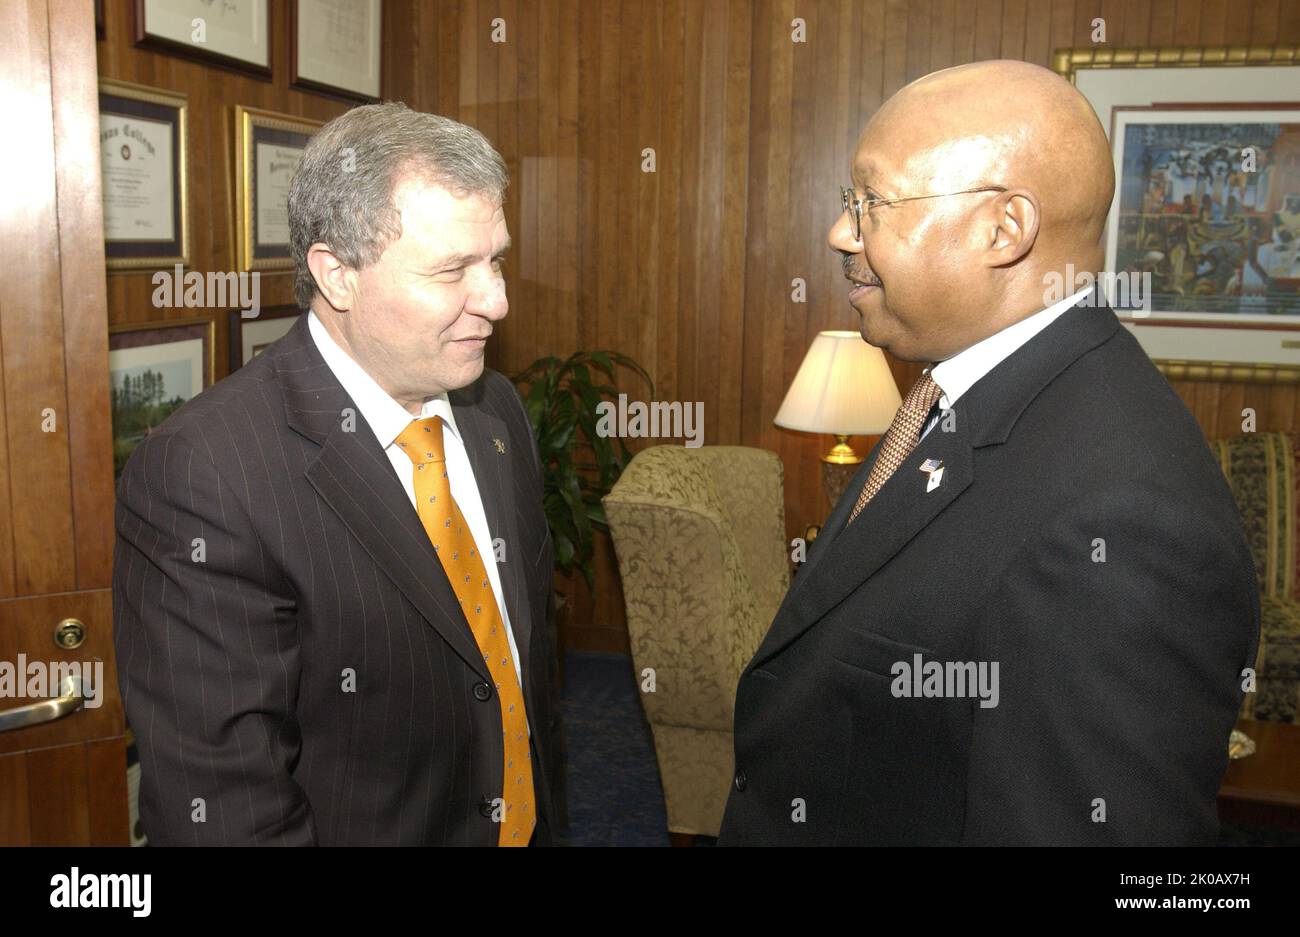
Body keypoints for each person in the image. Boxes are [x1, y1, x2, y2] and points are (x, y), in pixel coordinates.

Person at [719, 61, 1259, 846]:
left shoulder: (1125, 524)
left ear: (1004, 230)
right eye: (849, 202)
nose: (843, 231)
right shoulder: (961, 392)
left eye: (872, 200)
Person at [114, 103, 561, 846]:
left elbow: (518, 667)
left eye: (497, 260)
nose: (496, 300)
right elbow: (227, 815)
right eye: (452, 269)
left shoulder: (495, 410)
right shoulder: (206, 477)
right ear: (337, 275)